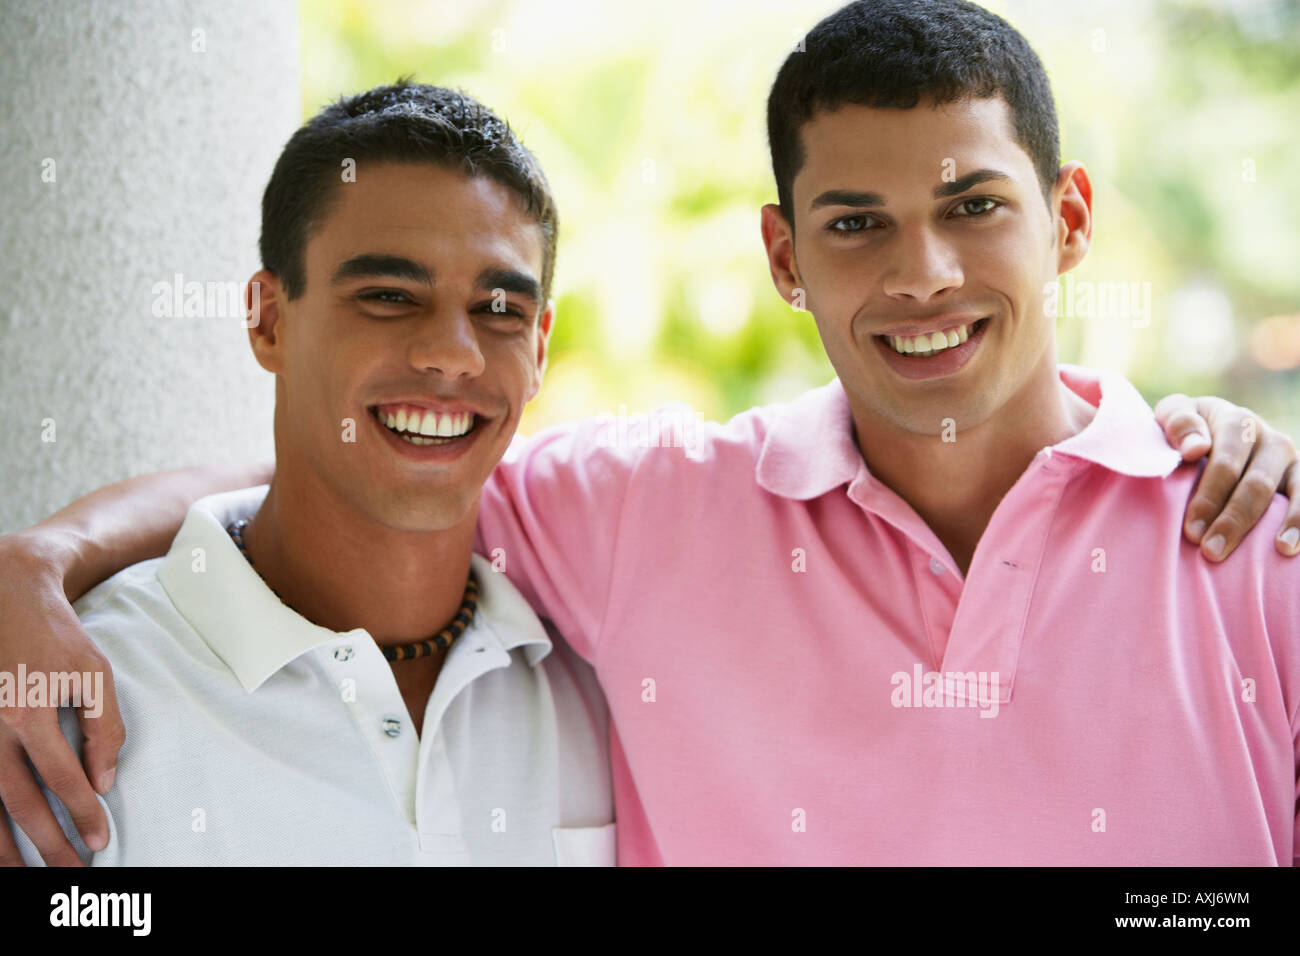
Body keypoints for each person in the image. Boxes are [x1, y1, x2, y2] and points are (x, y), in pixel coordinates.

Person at [3, 0, 1300, 866]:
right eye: (856, 223)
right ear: (785, 255)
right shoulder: (644, 514)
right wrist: (42, 561)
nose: (923, 273)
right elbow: (373, 458)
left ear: (1067, 216)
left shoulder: (1258, 546)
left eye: (973, 205)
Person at [5, 82, 614, 865]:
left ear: (540, 347)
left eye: (500, 309)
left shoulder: (603, 682)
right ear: (269, 320)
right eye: (389, 296)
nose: (455, 355)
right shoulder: (70, 704)